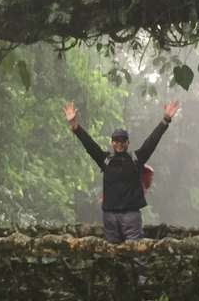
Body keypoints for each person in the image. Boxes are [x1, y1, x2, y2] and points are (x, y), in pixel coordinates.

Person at [63, 99, 181, 243]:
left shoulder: (136, 159)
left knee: (135, 250)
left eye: (122, 141)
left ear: (127, 143)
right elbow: (90, 145)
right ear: (112, 143)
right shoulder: (106, 160)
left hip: (131, 215)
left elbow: (151, 142)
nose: (119, 144)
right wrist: (75, 127)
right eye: (116, 141)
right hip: (110, 216)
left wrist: (165, 120)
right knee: (112, 252)